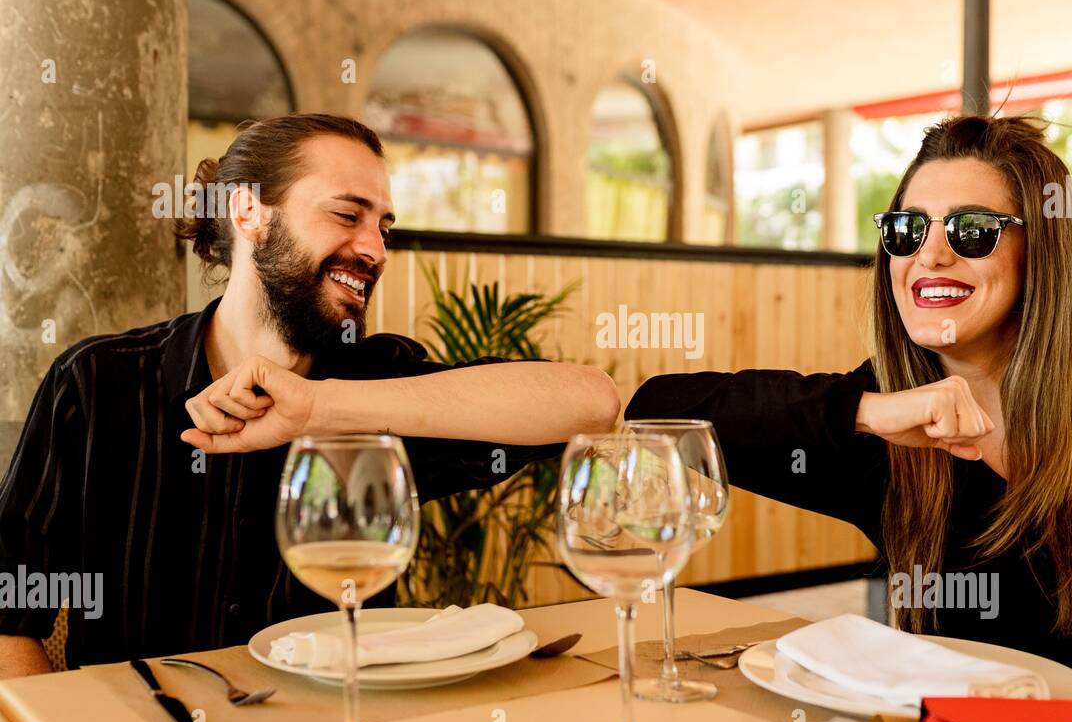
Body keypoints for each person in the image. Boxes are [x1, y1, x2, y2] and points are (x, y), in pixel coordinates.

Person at [625, 114, 1072, 712]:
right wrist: (867, 412)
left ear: (1044, 252)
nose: (931, 253)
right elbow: (660, 410)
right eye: (907, 229)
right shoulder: (881, 424)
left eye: (972, 230)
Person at [0, 113, 619, 676]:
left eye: (384, 226)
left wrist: (322, 409)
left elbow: (590, 402)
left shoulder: (377, 384)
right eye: (347, 216)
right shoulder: (96, 383)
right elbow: (8, 616)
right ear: (248, 213)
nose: (375, 249)